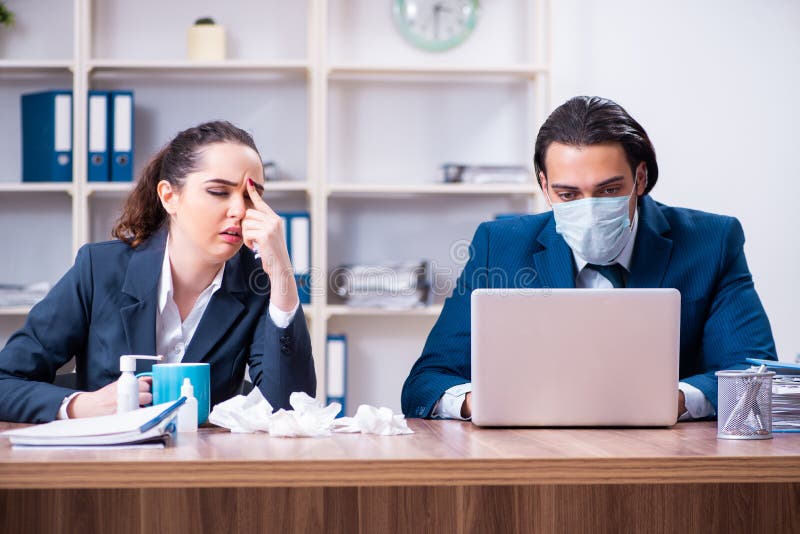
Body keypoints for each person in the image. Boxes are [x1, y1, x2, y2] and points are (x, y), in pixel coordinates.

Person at [402, 96, 776, 421]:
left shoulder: (711, 242)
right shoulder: (498, 246)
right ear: (545, 187)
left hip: (669, 466)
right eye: (568, 195)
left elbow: (754, 376)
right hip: (533, 462)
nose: (590, 208)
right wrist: (478, 402)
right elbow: (426, 382)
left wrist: (672, 401)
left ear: (640, 179)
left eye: (609, 190)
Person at [0, 121, 316, 423]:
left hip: (205, 468)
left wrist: (282, 275)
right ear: (169, 196)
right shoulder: (100, 269)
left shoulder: (258, 283)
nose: (239, 210)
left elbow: (291, 409)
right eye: (219, 192)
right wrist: (81, 405)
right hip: (109, 467)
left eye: (251, 195)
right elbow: (5, 380)